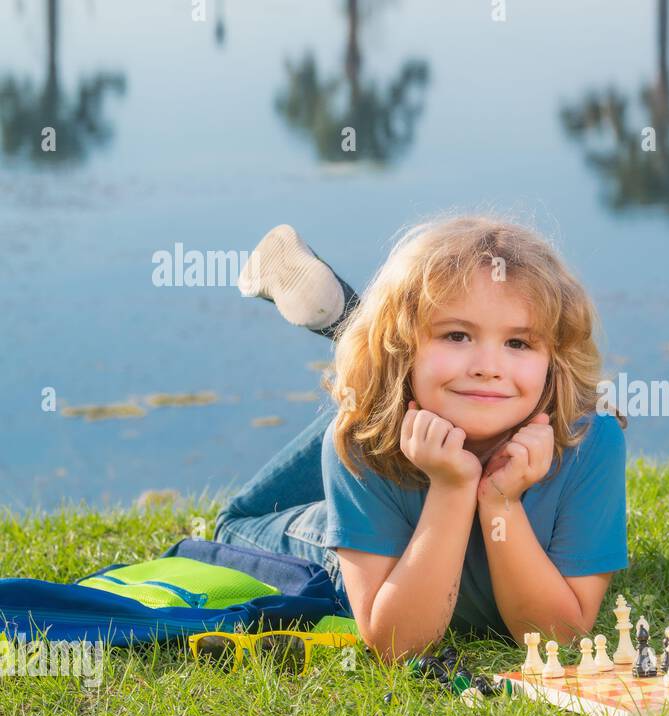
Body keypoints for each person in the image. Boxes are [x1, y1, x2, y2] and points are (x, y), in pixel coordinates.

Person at [213, 218, 629, 664]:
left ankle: (365, 338)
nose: (489, 365)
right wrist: (451, 490)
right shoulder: (360, 447)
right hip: (374, 536)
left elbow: (558, 639)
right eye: (457, 335)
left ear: (555, 360)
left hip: (414, 391)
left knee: (391, 389)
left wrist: (500, 502)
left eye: (519, 343)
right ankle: (371, 350)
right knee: (235, 526)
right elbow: (399, 645)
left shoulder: (590, 441)